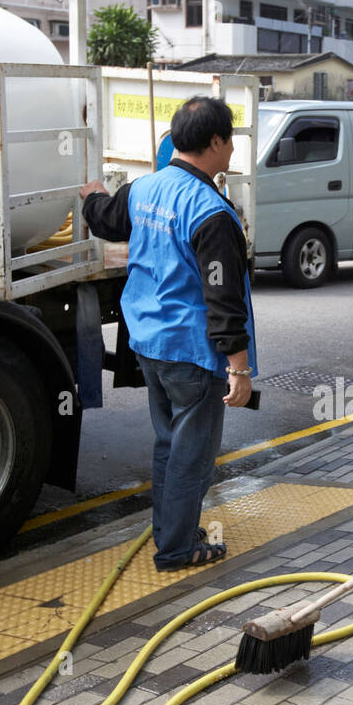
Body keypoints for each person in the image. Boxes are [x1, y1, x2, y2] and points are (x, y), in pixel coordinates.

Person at [80, 96, 257, 571]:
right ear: (216, 142)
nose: (234, 148)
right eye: (232, 139)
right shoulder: (210, 211)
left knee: (169, 443)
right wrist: (239, 369)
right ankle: (178, 547)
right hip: (192, 353)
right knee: (192, 455)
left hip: (149, 345)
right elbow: (224, 302)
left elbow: (105, 218)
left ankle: (171, 529)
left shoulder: (143, 190)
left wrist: (92, 195)